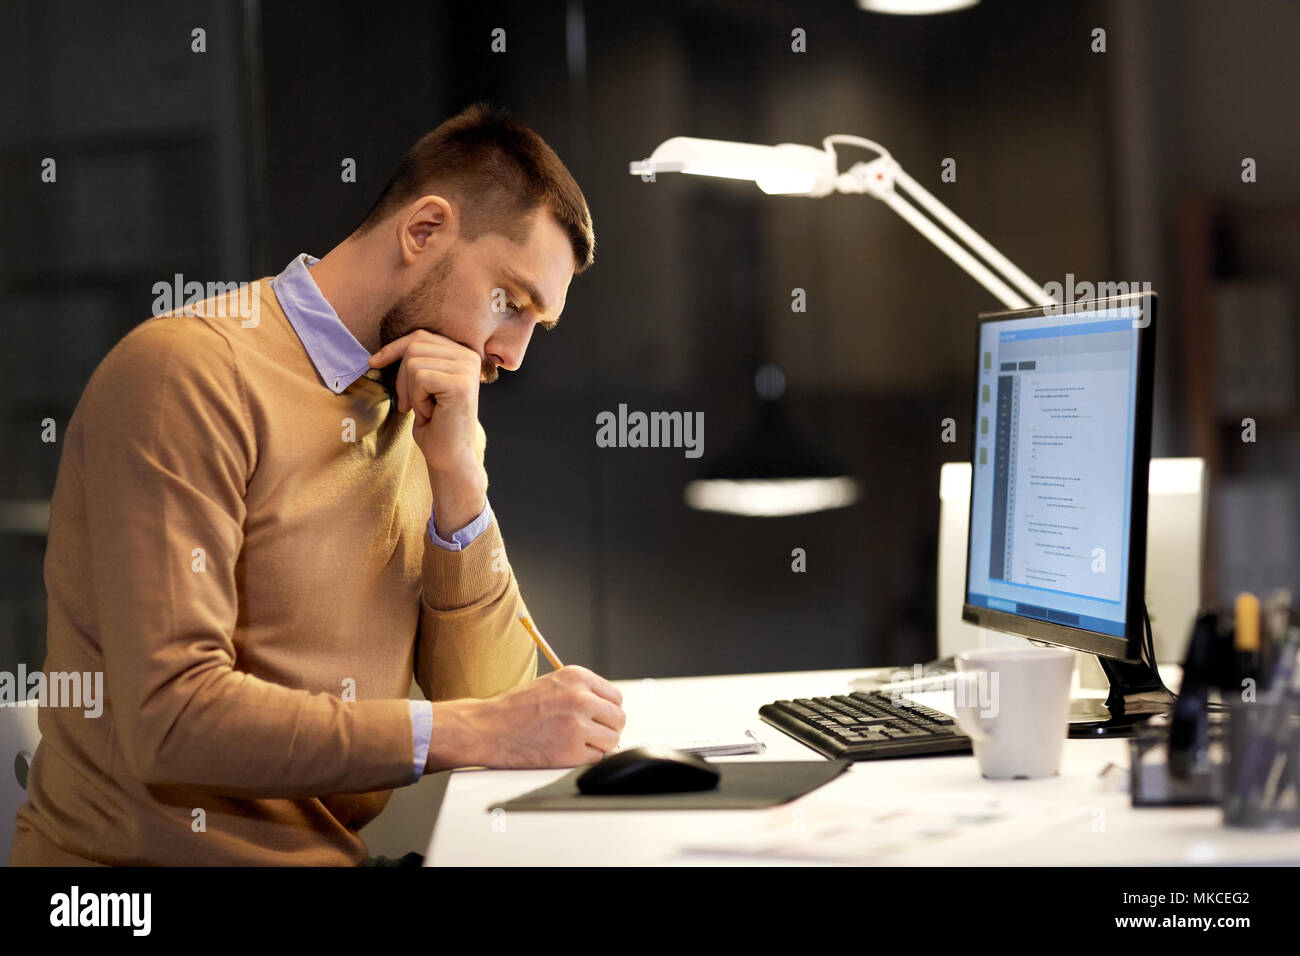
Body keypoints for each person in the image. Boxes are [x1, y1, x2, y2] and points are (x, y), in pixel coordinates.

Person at [9, 103, 626, 866]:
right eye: (511, 302)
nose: (513, 353)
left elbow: (496, 697)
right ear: (423, 230)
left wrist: (460, 478)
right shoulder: (187, 374)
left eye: (537, 324)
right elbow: (170, 719)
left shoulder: (435, 409)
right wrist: (472, 730)